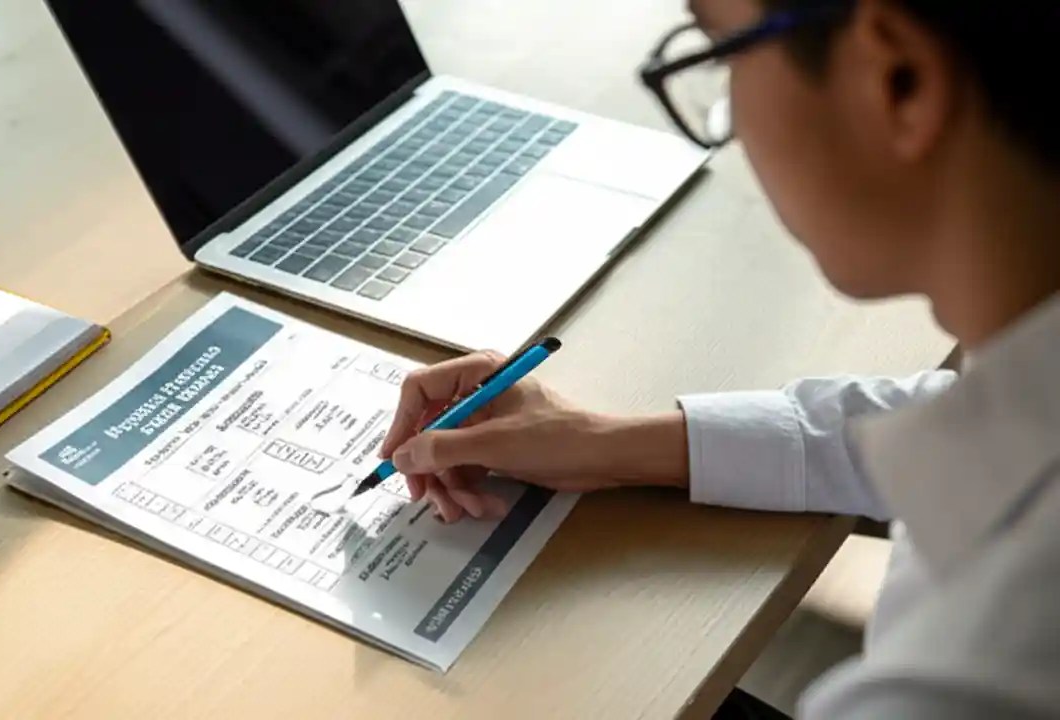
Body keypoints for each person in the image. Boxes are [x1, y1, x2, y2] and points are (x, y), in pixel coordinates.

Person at [378, 0, 1060, 718]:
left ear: (898, 81)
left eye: (722, 50)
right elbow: (944, 420)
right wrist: (609, 443)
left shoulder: (966, 682)